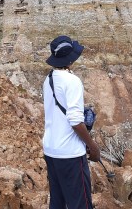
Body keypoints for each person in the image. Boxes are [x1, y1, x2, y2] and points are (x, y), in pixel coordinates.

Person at [42, 35, 100, 209]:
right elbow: (75, 121)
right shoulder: (72, 81)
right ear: (71, 58)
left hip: (51, 150)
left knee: (57, 202)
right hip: (70, 153)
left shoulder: (49, 79)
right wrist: (92, 145)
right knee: (80, 204)